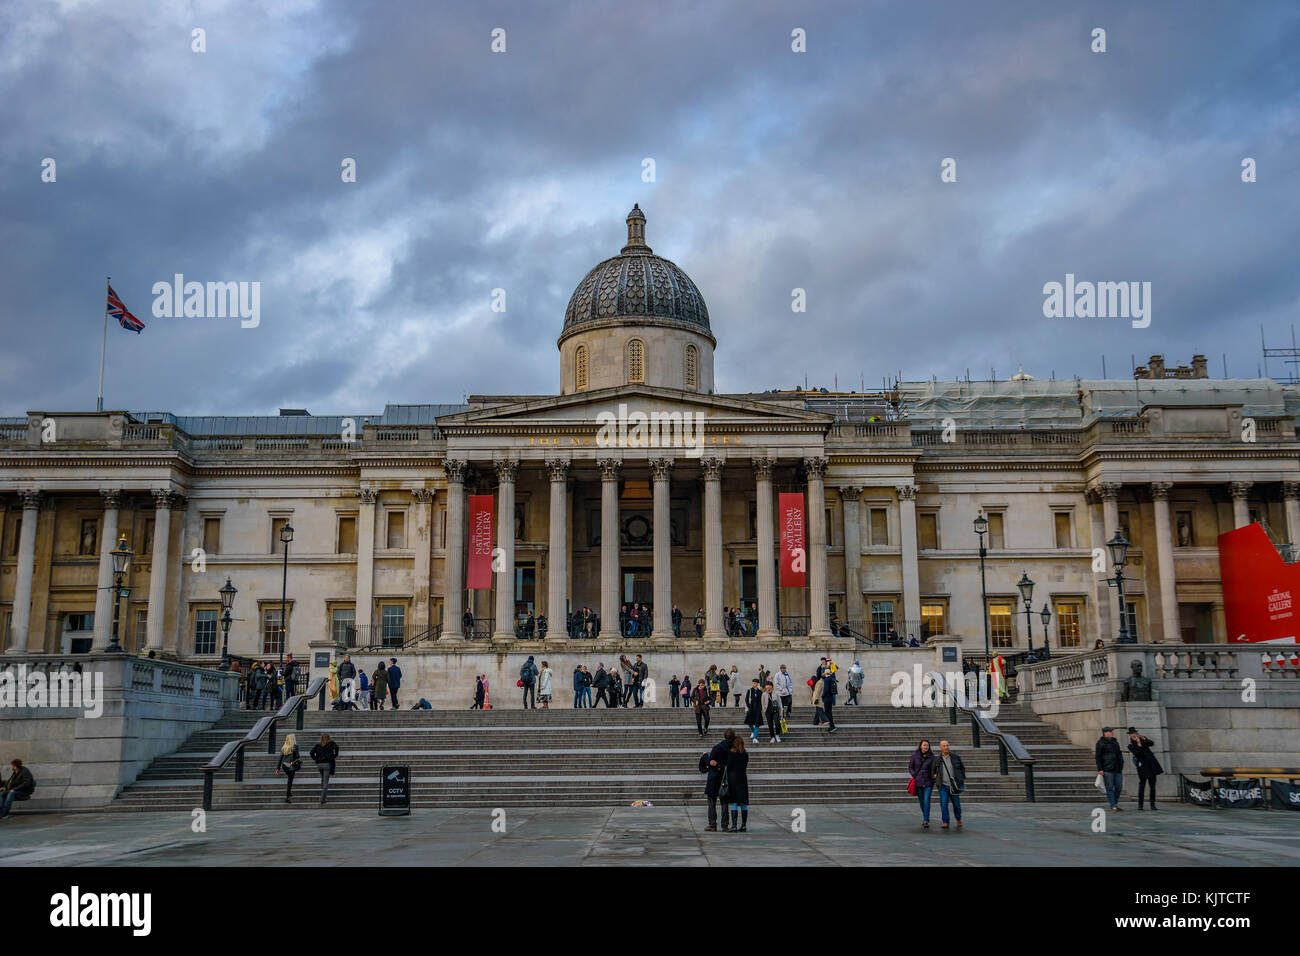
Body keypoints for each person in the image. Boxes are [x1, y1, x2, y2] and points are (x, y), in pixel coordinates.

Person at [703, 728, 735, 832]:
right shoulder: (733, 749)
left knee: (711, 802)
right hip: (725, 778)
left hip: (714, 777)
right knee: (724, 802)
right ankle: (724, 825)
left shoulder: (717, 748)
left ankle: (712, 824)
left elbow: (710, 762)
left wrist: (705, 756)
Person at [1126, 727, 1163, 811]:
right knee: (1142, 785)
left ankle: (1152, 804)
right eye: (1132, 734)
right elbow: (1138, 754)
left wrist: (1144, 739)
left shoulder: (1143, 740)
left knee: (1152, 786)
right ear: (1130, 735)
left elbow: (1152, 743)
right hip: (1142, 766)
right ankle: (1140, 805)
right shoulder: (1131, 745)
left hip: (1151, 765)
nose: (1134, 735)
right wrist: (1138, 744)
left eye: (1135, 733)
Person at [935, 739, 966, 829]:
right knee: (943, 804)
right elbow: (933, 770)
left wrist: (961, 780)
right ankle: (945, 821)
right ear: (940, 747)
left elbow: (962, 768)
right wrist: (935, 777)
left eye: (947, 745)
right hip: (943, 786)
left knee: (956, 804)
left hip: (954, 786)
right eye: (944, 746)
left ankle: (958, 819)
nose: (946, 747)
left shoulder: (955, 757)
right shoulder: (938, 759)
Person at [1095, 726, 1125, 812]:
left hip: (1118, 768)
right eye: (1110, 731)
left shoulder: (1115, 742)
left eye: (1112, 731)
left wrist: (1121, 763)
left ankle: (1114, 803)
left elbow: (1119, 754)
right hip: (1107, 769)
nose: (1112, 733)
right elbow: (1098, 757)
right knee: (1110, 787)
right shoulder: (1100, 743)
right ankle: (1113, 806)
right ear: (1105, 733)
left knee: (1119, 787)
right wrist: (1100, 769)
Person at [909, 739, 936, 829]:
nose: (926, 747)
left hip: (928, 782)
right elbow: (910, 767)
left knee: (926, 800)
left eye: (927, 745)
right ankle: (926, 816)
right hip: (918, 782)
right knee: (922, 801)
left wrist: (934, 775)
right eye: (924, 745)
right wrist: (914, 775)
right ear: (920, 746)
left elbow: (935, 768)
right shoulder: (914, 756)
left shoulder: (932, 757)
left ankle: (925, 820)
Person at [726, 735, 751, 832]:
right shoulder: (745, 754)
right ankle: (744, 825)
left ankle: (734, 825)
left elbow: (729, 766)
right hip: (743, 779)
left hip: (733, 779)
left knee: (734, 802)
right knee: (743, 802)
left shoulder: (731, 754)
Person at [309, 733, 339, 805]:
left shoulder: (318, 744)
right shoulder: (331, 743)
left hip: (319, 764)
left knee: (323, 779)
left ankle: (324, 795)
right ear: (328, 737)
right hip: (327, 764)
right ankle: (322, 798)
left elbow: (311, 752)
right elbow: (337, 747)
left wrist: (316, 759)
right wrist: (335, 755)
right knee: (325, 781)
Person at [276, 733, 302, 803]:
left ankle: (289, 793)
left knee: (289, 778)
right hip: (291, 765)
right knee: (290, 780)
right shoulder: (295, 746)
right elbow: (297, 756)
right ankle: (287, 797)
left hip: (284, 765)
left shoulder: (284, 747)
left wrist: (278, 768)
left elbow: (280, 758)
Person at [743, 678, 763, 743]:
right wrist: (749, 706)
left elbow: (761, 701)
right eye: (753, 683)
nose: (754, 684)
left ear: (757, 684)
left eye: (755, 683)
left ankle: (755, 738)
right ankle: (753, 731)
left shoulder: (760, 692)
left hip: (758, 709)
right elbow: (746, 699)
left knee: (757, 724)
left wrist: (760, 708)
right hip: (751, 708)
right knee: (749, 722)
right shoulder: (749, 690)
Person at [820, 666, 838, 733]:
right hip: (831, 698)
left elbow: (826, 690)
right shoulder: (831, 678)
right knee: (829, 712)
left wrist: (823, 696)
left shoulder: (827, 680)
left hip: (827, 698)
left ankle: (832, 726)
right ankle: (831, 726)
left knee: (828, 713)